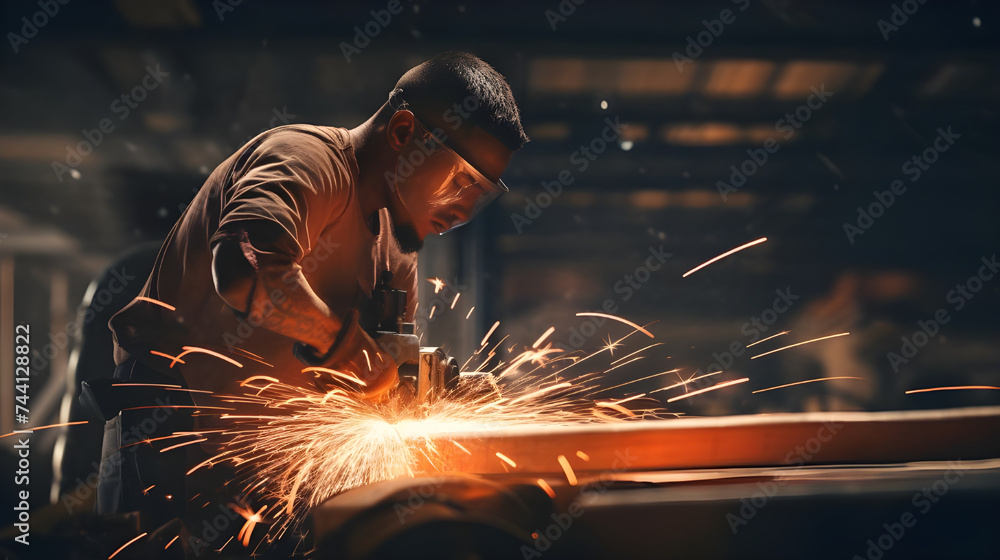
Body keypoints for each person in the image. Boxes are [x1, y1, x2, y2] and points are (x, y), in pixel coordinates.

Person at [94, 51, 529, 540]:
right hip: (172, 444)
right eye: (460, 180)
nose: (464, 210)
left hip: (264, 474)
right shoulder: (306, 159)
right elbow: (243, 271)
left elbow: (383, 387)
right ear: (404, 132)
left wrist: (443, 394)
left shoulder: (397, 248)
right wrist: (337, 341)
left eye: (481, 193)